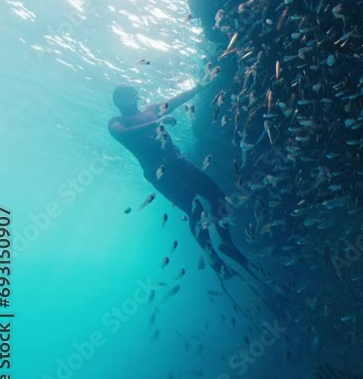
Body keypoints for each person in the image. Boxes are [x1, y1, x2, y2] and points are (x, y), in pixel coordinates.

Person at [108, 80, 278, 311]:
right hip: (160, 172)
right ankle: (212, 256)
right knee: (194, 207)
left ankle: (226, 243)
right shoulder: (117, 122)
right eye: (123, 98)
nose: (128, 100)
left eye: (129, 95)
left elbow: (177, 100)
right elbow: (124, 134)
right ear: (118, 103)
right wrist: (157, 122)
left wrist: (200, 87)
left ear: (135, 96)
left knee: (217, 195)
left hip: (180, 162)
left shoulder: (151, 109)